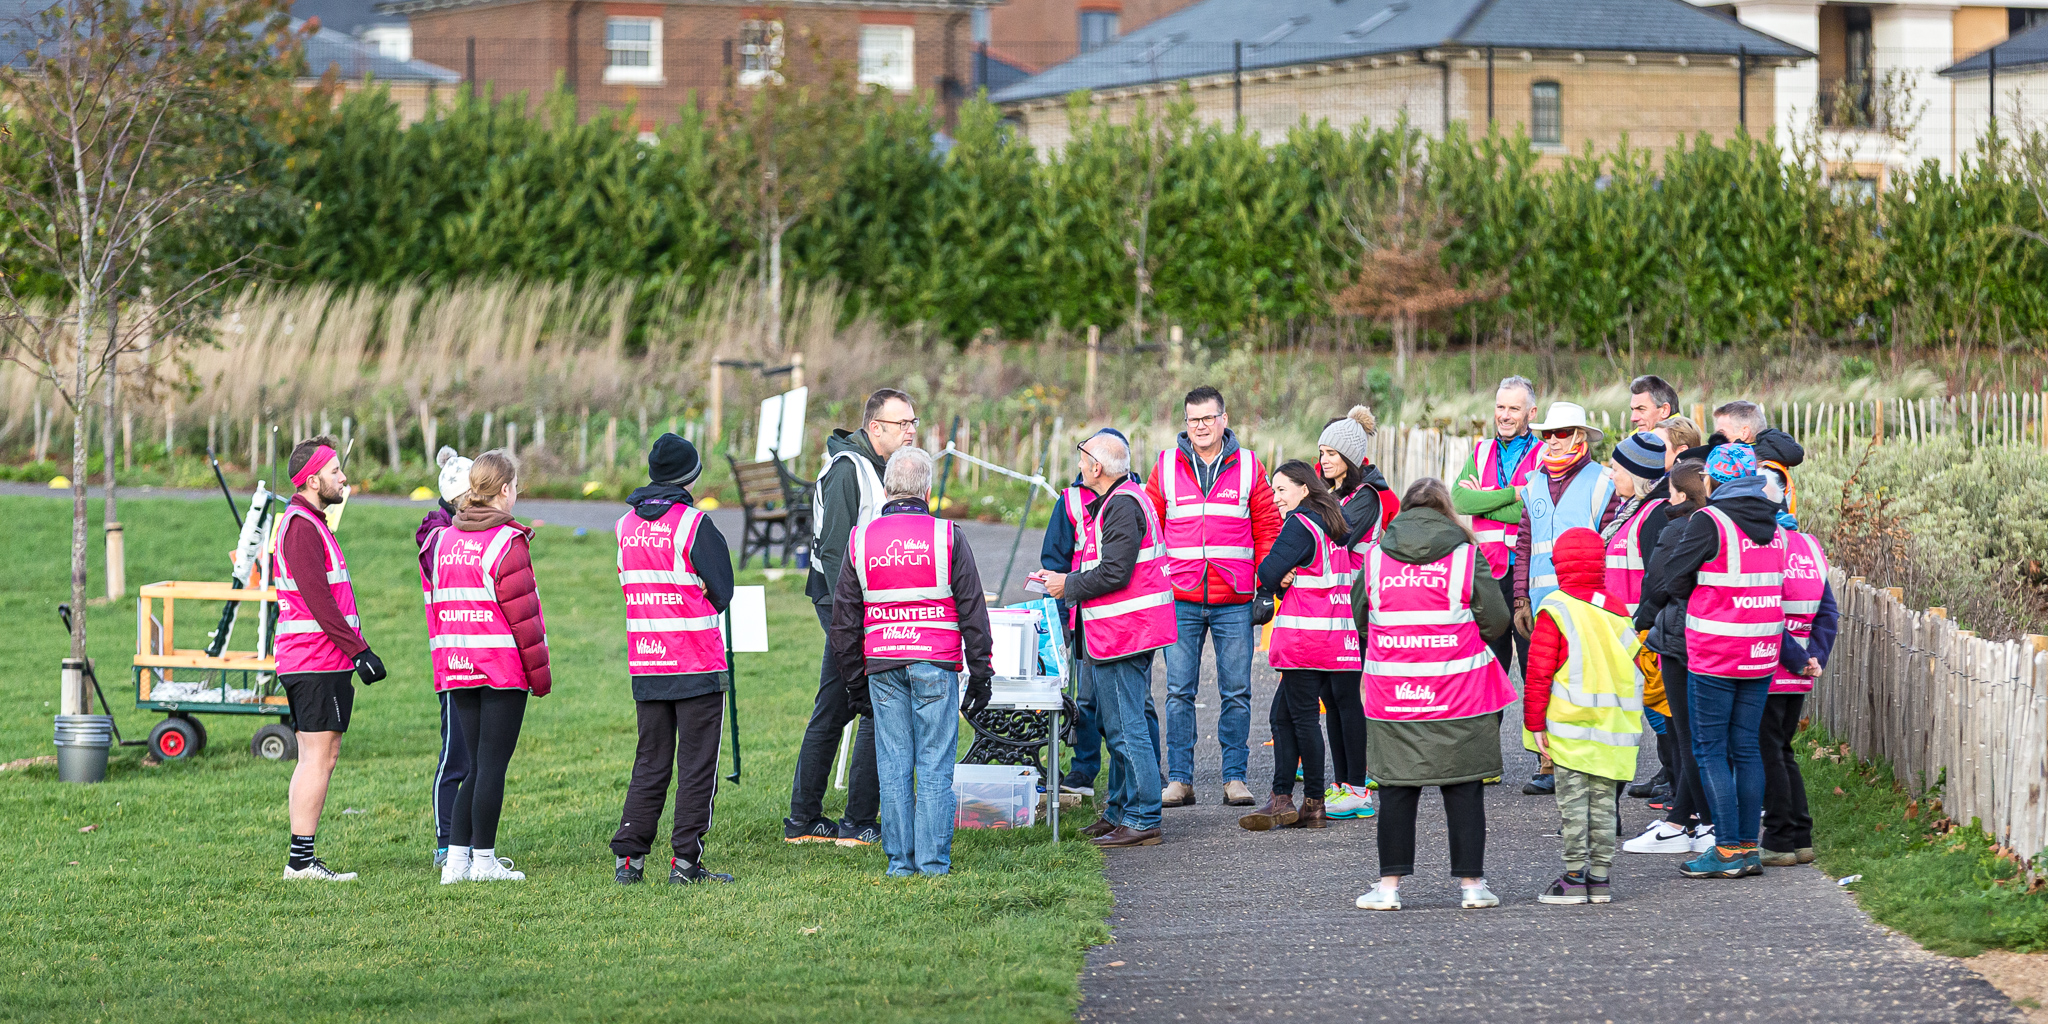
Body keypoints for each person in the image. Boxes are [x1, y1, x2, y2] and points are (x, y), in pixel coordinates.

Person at [1352, 478, 1515, 912]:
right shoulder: (1466, 555)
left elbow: (1361, 617)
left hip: (1396, 695)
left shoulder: (1375, 559)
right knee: (1464, 786)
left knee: (1396, 789)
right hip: (1458, 694)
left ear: (1404, 512)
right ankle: (1472, 886)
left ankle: (1388, 889)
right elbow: (1496, 620)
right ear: (1447, 512)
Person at [832, 447, 995, 875]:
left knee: (894, 764)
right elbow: (973, 610)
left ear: (887, 490)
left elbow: (844, 621)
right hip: (936, 663)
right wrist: (981, 673)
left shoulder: (860, 539)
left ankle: (900, 863)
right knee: (935, 765)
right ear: (926, 489)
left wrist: (853, 682)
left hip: (883, 663)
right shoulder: (947, 536)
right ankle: (933, 862)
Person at [1657, 444, 1814, 879]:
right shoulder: (1774, 524)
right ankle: (1747, 846)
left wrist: (1703, 598)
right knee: (1745, 748)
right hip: (1762, 652)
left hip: (1716, 651)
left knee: (1709, 749)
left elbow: (1673, 576)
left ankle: (1726, 849)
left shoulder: (1711, 521)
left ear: (1714, 481)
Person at [788, 388, 919, 847]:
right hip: (846, 603)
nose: (910, 431)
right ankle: (859, 821)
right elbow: (835, 549)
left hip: (865, 602)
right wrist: (862, 614)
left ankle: (803, 819)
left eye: (912, 423)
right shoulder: (848, 468)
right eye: (901, 423)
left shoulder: (882, 466)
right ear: (874, 427)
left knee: (835, 705)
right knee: (873, 701)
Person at [611, 434, 737, 886]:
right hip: (696, 662)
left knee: (650, 760)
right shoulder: (694, 524)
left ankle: (630, 860)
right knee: (697, 766)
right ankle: (686, 863)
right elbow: (723, 590)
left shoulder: (624, 525)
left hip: (647, 661)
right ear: (691, 476)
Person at [1148, 386, 1280, 808]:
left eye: (1208, 418)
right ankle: (1181, 781)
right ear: (1185, 423)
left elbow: (1268, 527)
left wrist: (1267, 586)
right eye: (1193, 420)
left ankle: (1235, 778)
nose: (1200, 427)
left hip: (1235, 597)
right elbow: (1149, 528)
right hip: (1180, 596)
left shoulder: (1249, 466)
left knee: (1237, 691)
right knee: (1178, 692)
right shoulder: (1166, 465)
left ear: (1224, 419)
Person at [1042, 431, 1176, 848]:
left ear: (1096, 467)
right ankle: (1119, 811)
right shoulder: (1122, 500)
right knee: (1114, 723)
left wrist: (1068, 585)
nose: (1079, 466)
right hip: (1115, 632)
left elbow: (1115, 572)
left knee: (1126, 728)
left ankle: (1142, 817)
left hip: (1124, 633)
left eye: (1082, 459)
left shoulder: (1121, 505)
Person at [426, 450, 551, 884]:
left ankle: (456, 864)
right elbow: (525, 618)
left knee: (474, 766)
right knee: (491, 766)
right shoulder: (508, 541)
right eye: (515, 486)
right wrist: (540, 676)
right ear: (503, 490)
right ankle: (483, 862)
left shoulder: (443, 540)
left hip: (458, 665)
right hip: (500, 669)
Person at [275, 435, 385, 882]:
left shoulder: (311, 521)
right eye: (336, 470)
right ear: (312, 479)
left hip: (317, 661)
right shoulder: (302, 526)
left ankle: (302, 859)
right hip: (314, 661)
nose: (344, 477)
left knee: (320, 755)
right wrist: (360, 651)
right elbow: (319, 601)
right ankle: (300, 861)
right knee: (317, 758)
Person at [1524, 528, 1645, 906]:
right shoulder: (1618, 610)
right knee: (1604, 803)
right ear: (1601, 563)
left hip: (1570, 727)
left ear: (1558, 565)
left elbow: (1540, 673)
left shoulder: (1556, 608)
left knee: (1573, 804)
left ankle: (1574, 876)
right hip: (1612, 729)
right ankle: (1600, 877)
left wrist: (1534, 724)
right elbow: (1636, 662)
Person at [1241, 461, 1357, 831]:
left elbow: (1268, 572)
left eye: (1281, 490)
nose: (1276, 499)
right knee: (1283, 716)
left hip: (1303, 639)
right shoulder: (1333, 524)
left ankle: (1311, 802)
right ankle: (1284, 798)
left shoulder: (1300, 524)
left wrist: (1279, 578)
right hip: (1331, 638)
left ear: (1304, 490)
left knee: (1303, 718)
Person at [1513, 401, 1621, 795]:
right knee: (1541, 681)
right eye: (1547, 435)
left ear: (1580, 437)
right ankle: (1548, 762)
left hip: (1585, 606)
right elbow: (1524, 545)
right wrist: (1520, 600)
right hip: (1543, 606)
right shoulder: (1534, 483)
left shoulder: (1601, 482)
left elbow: (1610, 545)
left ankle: (1580, 763)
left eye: (1560, 434)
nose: (1552, 442)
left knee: (1579, 684)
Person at [1623, 460, 1719, 856]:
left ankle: (1694, 822)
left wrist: (1641, 624)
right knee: (1712, 735)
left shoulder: (1679, 528)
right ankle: (1694, 818)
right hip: (1720, 638)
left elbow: (1659, 583)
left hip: (1679, 635)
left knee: (1685, 732)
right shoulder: (1726, 526)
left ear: (1678, 495)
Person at [1315, 405, 1397, 814]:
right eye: (1322, 452)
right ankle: (1342, 781)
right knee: (1332, 694)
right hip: (1334, 608)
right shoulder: (1334, 494)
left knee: (1348, 696)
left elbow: (1335, 538)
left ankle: (1359, 786)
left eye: (1331, 453)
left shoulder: (1364, 498)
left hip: (1357, 609)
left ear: (1349, 457)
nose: (1324, 460)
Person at [1451, 377, 1540, 730]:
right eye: (1500, 407)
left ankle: (1543, 762)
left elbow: (1535, 510)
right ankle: (1485, 756)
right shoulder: (1480, 450)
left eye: (1513, 408)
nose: (1504, 415)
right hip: (1488, 576)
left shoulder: (1544, 454)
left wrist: (1486, 498)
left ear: (1531, 413)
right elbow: (1460, 500)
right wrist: (1512, 493)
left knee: (1534, 667)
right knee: (1487, 666)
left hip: (1527, 575)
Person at [1760, 468, 1835, 867]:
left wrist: (1795, 658)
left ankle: (1778, 838)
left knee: (1767, 752)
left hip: (1769, 663)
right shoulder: (1809, 545)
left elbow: (1763, 608)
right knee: (1782, 749)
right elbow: (1828, 609)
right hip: (1801, 670)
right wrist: (1814, 657)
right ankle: (1800, 836)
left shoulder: (1764, 545)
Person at [418, 447, 472, 870]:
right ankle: (445, 841)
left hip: (483, 658)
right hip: (455, 662)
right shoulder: (438, 539)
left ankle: (468, 839)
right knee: (455, 754)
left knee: (476, 755)